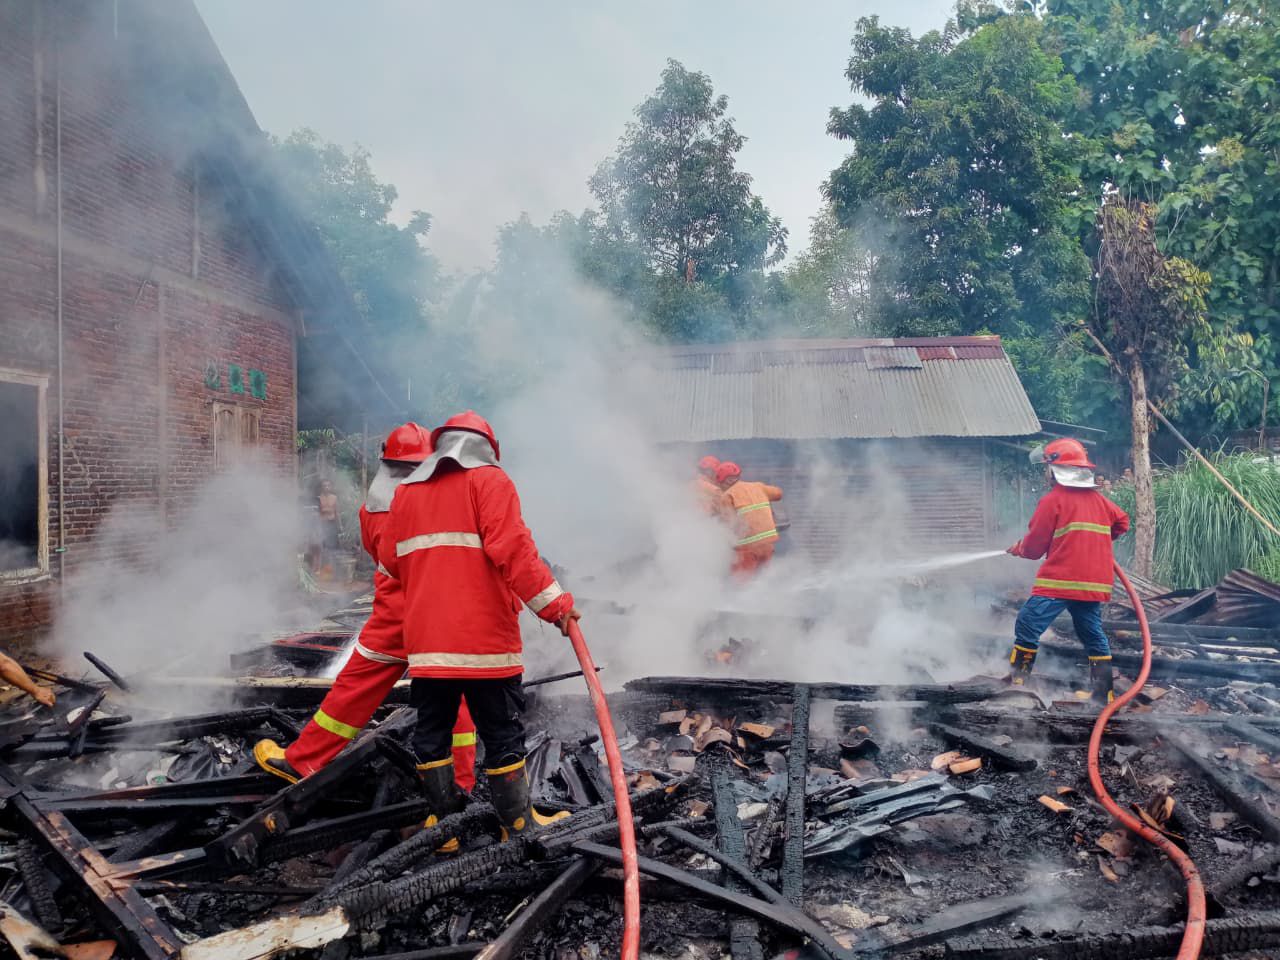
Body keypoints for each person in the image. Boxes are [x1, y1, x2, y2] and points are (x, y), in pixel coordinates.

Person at [381, 411, 579, 840]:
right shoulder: (490, 481)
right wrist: (556, 606)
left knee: (432, 733)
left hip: (429, 648)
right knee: (501, 730)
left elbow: (390, 563)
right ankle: (519, 824)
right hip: (485, 646)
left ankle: (446, 829)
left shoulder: (406, 493)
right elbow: (515, 551)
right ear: (488, 449)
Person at [255, 423, 478, 795]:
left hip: (395, 616)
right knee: (456, 701)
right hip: (439, 615)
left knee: (353, 690)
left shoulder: (371, 510)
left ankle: (303, 760)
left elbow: (381, 558)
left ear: (385, 461)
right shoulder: (446, 504)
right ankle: (459, 787)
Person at [1005, 438, 1130, 703]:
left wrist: (1019, 549)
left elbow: (1035, 547)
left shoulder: (1054, 500)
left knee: (1028, 623)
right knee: (1092, 633)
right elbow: (1122, 521)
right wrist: (1096, 542)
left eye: (1046, 468)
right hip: (1094, 583)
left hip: (1061, 581)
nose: (1045, 473)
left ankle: (1017, 683)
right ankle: (1103, 693)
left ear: (1055, 469)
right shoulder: (1100, 502)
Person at [716, 462, 783, 580]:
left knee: (741, 585)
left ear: (725, 481)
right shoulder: (758, 486)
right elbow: (778, 493)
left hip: (747, 549)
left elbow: (730, 524)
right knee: (765, 582)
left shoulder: (727, 496)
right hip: (767, 546)